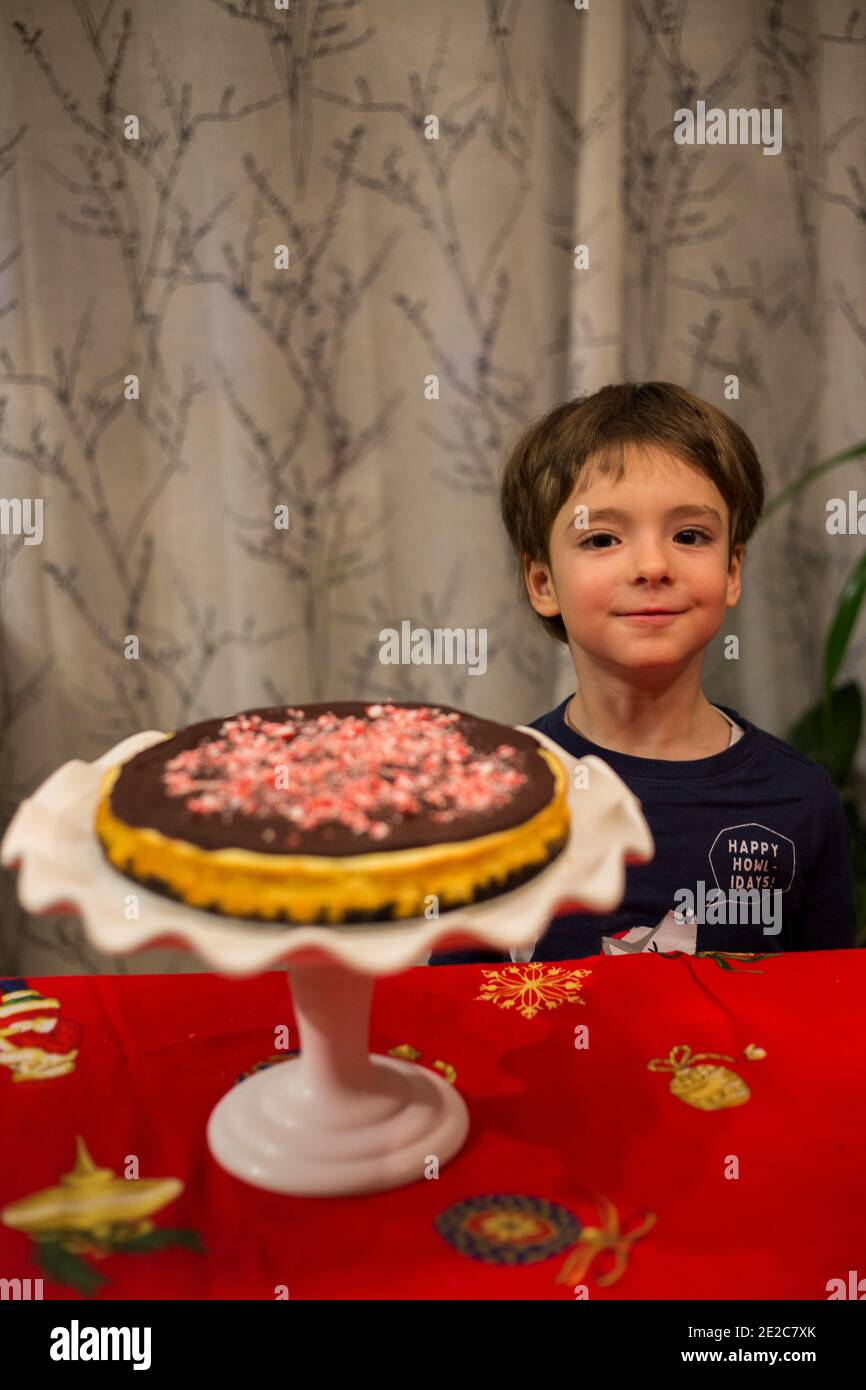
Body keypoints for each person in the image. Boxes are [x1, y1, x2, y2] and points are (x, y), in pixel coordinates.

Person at [430, 381, 856, 964]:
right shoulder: (494, 803)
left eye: (690, 536)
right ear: (543, 583)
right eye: (602, 538)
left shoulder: (800, 798)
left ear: (732, 570)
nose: (653, 566)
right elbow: (457, 1020)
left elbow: (823, 1015)